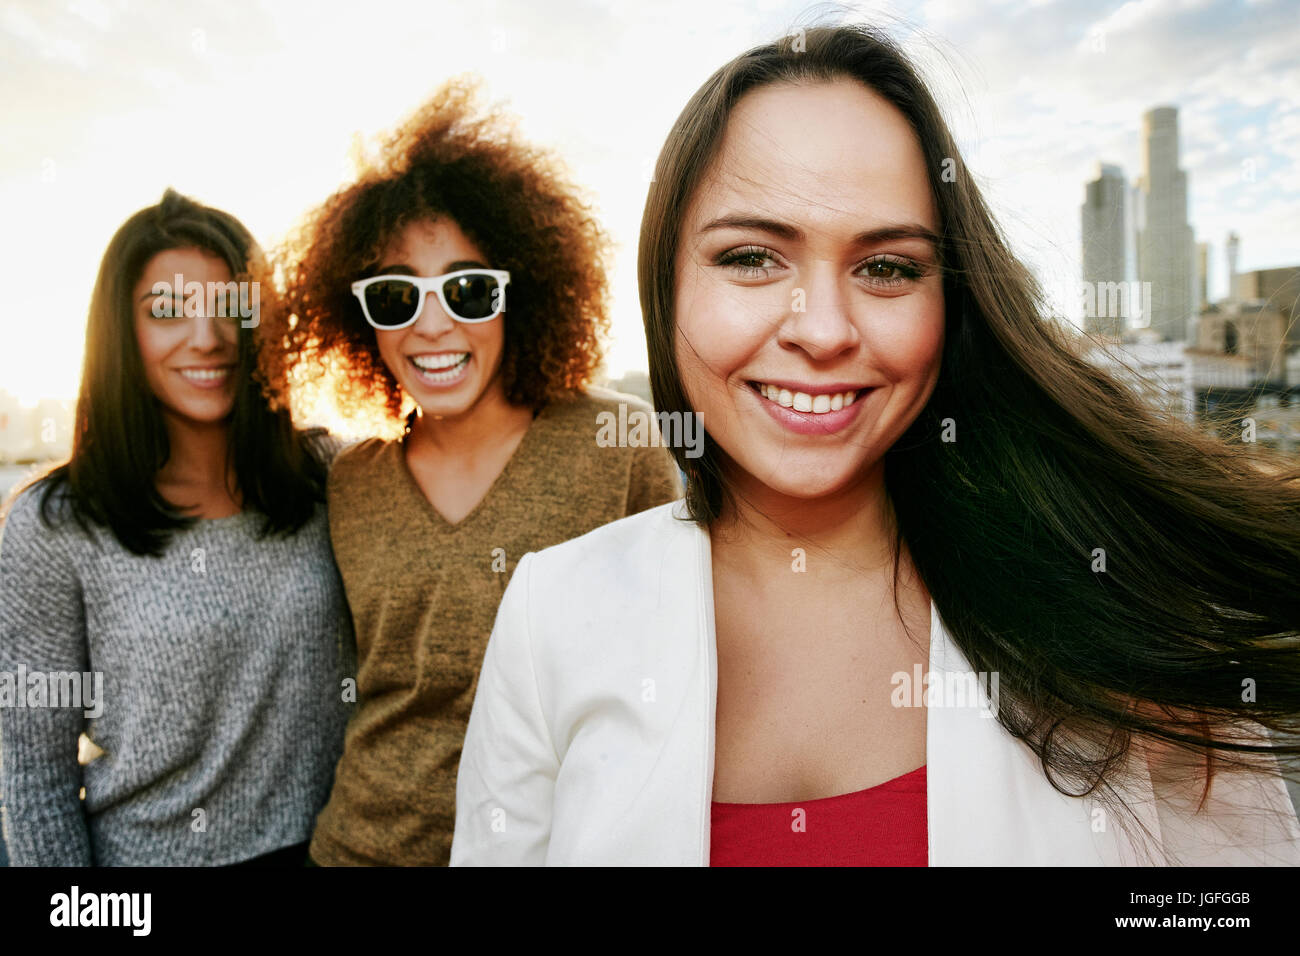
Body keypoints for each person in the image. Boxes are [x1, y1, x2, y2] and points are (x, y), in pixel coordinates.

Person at [451, 24, 1300, 866]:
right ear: (665, 284)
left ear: (951, 305)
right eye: (751, 257)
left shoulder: (1114, 606)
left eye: (888, 268)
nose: (822, 330)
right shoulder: (550, 614)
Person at [260, 79, 682, 866]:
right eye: (395, 295)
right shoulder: (353, 481)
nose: (432, 322)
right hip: (358, 851)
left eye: (467, 288)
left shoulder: (616, 441)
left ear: (520, 294)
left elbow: (676, 669)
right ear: (361, 322)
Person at [0, 189, 352, 866]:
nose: (205, 336)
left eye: (229, 308)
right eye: (167, 311)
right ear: (120, 334)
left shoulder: (325, 478)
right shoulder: (56, 526)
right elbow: (37, 777)